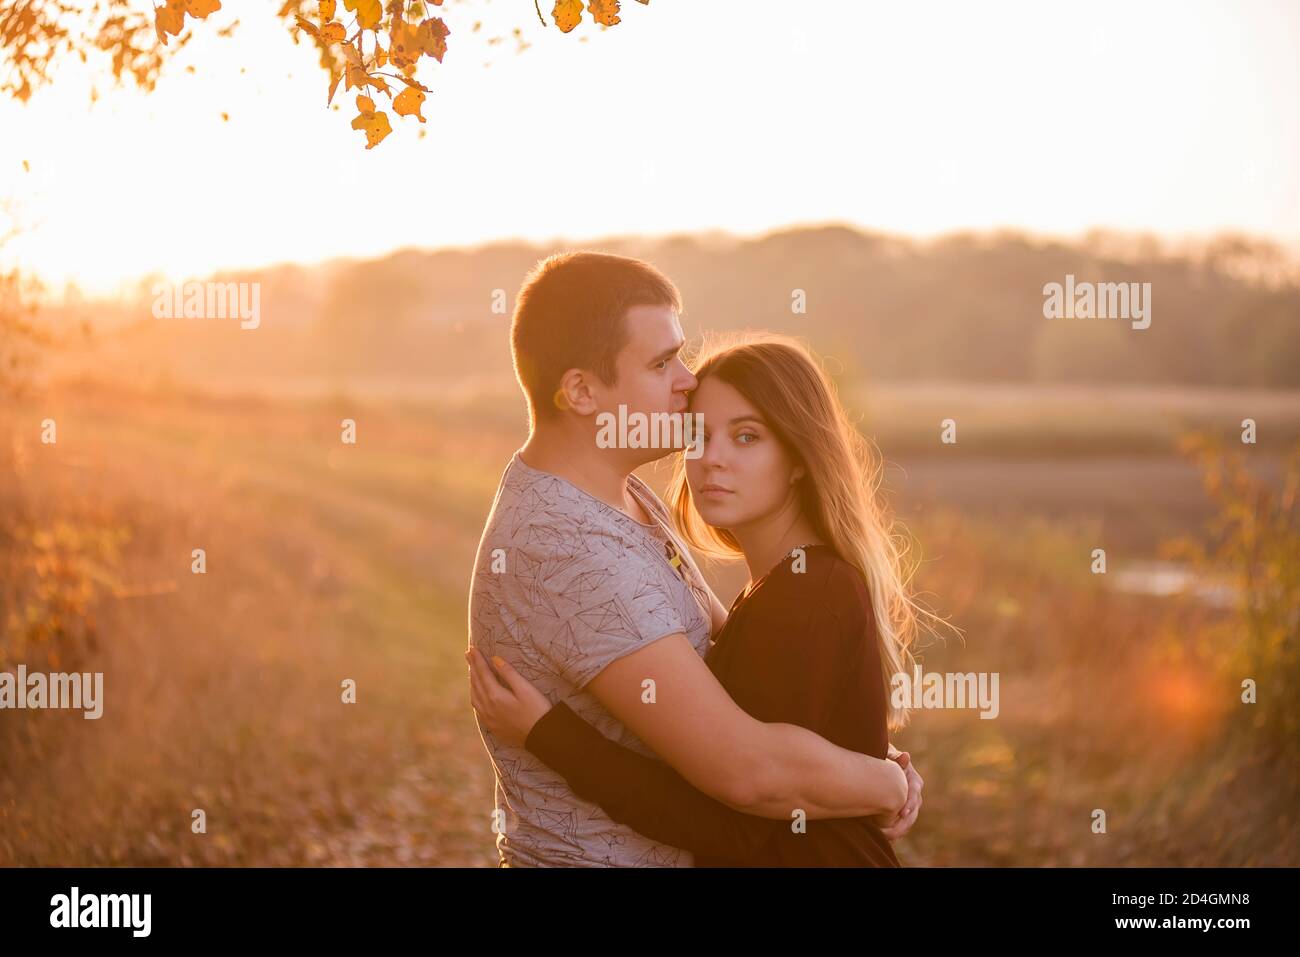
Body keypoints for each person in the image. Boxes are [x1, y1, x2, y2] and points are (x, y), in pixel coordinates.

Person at [467, 252, 922, 867]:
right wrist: (879, 782)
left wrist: (857, 757)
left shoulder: (625, 497)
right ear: (580, 390)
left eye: (745, 436)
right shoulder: (569, 548)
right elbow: (747, 775)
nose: (686, 379)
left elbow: (740, 674)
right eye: (661, 363)